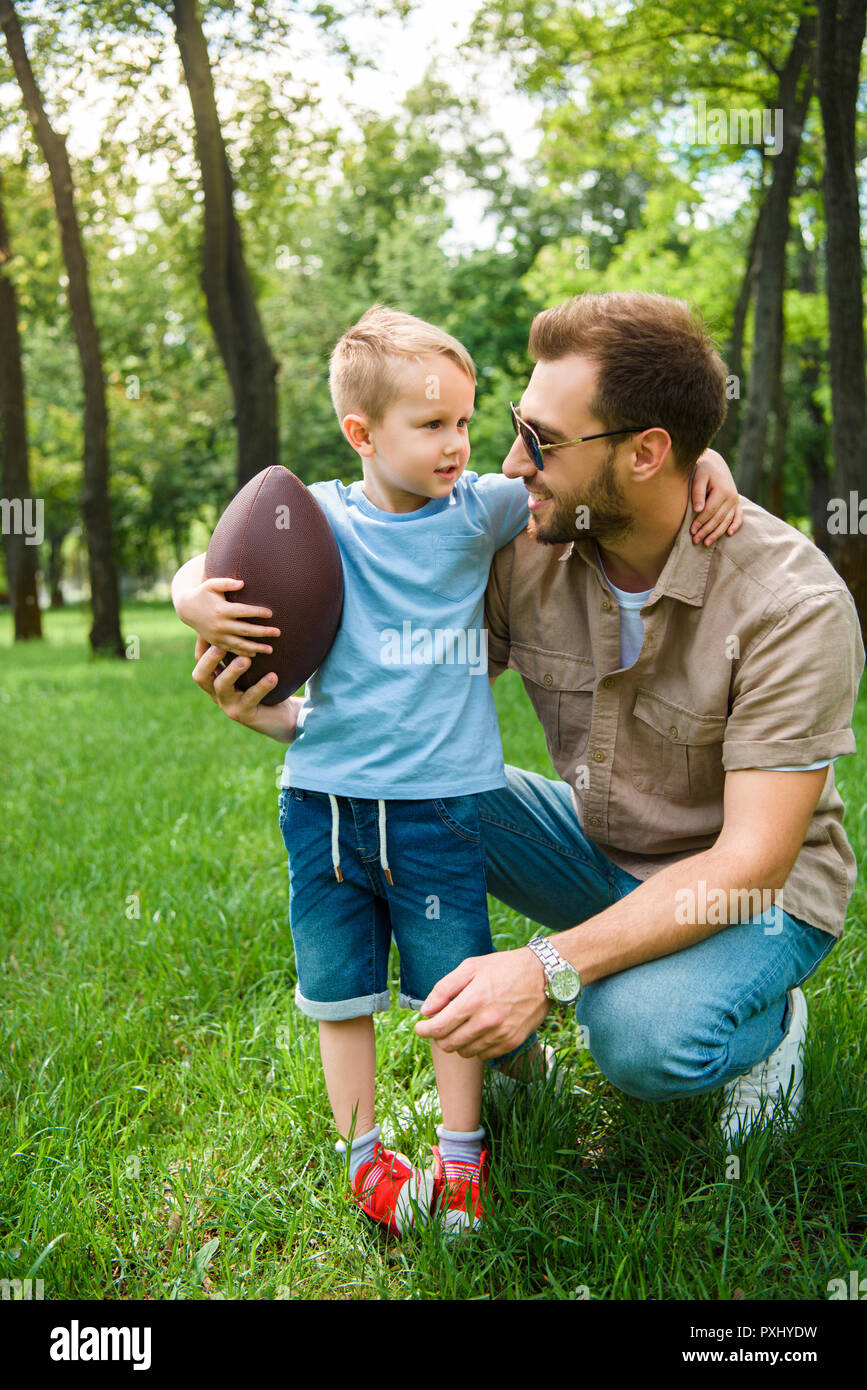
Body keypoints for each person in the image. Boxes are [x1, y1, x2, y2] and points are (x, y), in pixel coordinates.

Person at [171, 304, 742, 1236]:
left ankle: (461, 1158)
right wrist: (196, 597)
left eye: (466, 424)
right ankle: (364, 1160)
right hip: (323, 803)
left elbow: (632, 477)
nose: (460, 446)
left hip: (440, 809)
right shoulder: (312, 516)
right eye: (431, 425)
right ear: (361, 434)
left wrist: (704, 460)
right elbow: (208, 562)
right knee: (338, 990)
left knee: (454, 984)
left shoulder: (482, 508)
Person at [412, 290, 865, 1147]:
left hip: (753, 897)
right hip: (600, 847)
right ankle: (508, 1070)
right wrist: (233, 641)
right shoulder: (533, 535)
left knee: (638, 1039)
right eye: (517, 427)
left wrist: (544, 966)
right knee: (389, 804)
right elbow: (363, 521)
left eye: (541, 441)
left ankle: (768, 1029)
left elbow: (752, 862)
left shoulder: (791, 605)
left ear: (649, 452)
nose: (511, 463)